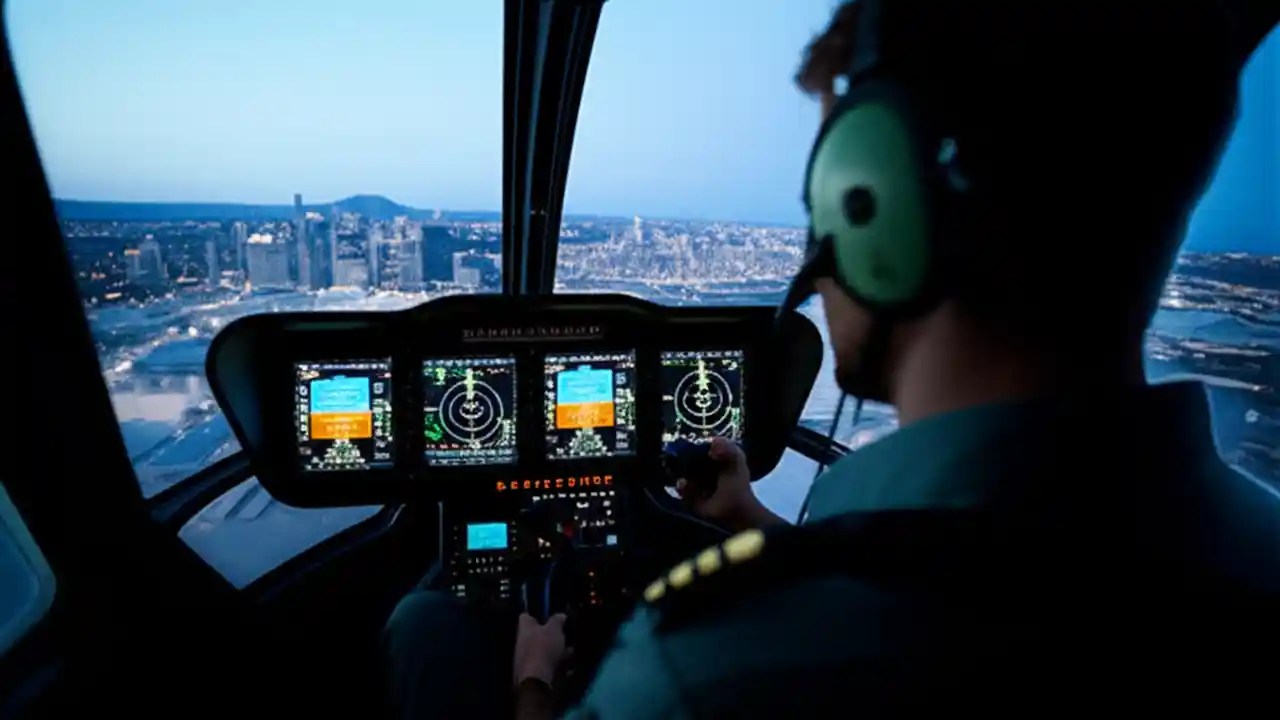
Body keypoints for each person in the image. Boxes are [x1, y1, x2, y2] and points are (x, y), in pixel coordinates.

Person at [389, 1, 1280, 717]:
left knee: (424, 623)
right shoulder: (1256, 549)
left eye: (832, 197)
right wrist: (755, 525)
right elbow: (987, 569)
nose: (818, 250)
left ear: (881, 210)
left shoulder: (703, 672)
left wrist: (534, 682)